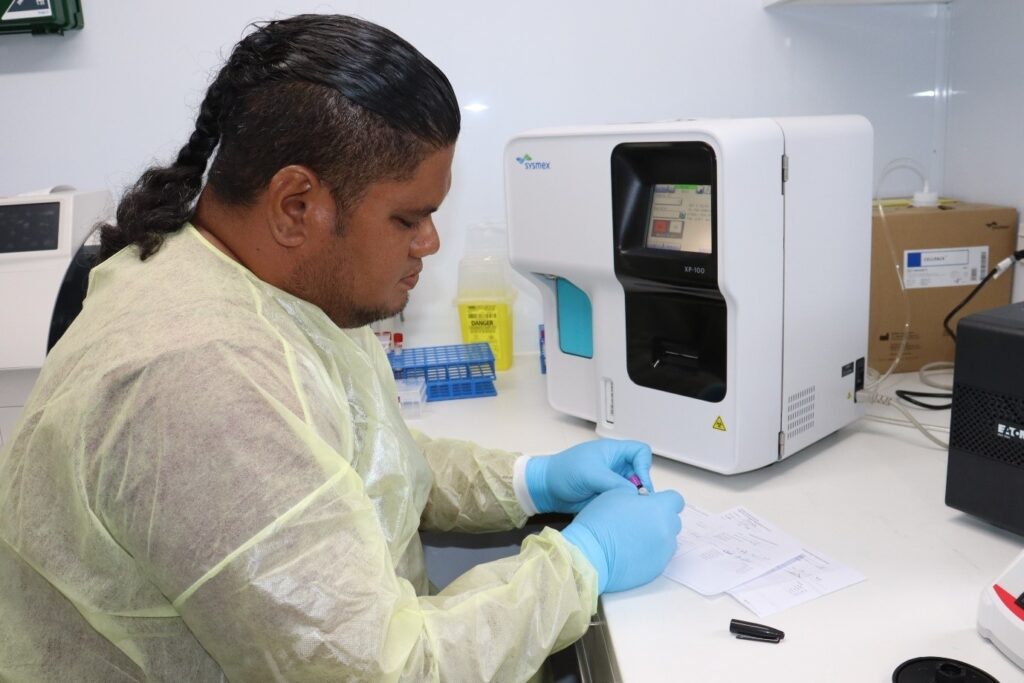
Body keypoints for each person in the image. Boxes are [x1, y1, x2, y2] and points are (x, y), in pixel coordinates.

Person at [0, 14, 684, 683]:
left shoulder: (273, 284)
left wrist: (529, 479)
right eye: (408, 218)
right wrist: (581, 562)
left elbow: (362, 456)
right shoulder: (198, 376)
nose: (430, 243)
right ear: (296, 205)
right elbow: (383, 670)